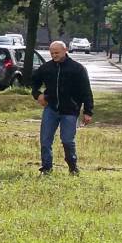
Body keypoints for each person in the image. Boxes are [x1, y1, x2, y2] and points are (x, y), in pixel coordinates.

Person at [31, 41, 93, 175]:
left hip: (70, 111)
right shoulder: (46, 68)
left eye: (56, 52)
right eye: (52, 53)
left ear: (65, 50)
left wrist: (88, 112)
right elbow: (33, 82)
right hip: (51, 109)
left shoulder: (77, 69)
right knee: (45, 140)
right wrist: (37, 95)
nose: (54, 55)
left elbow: (86, 91)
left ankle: (72, 166)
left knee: (67, 140)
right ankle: (46, 168)